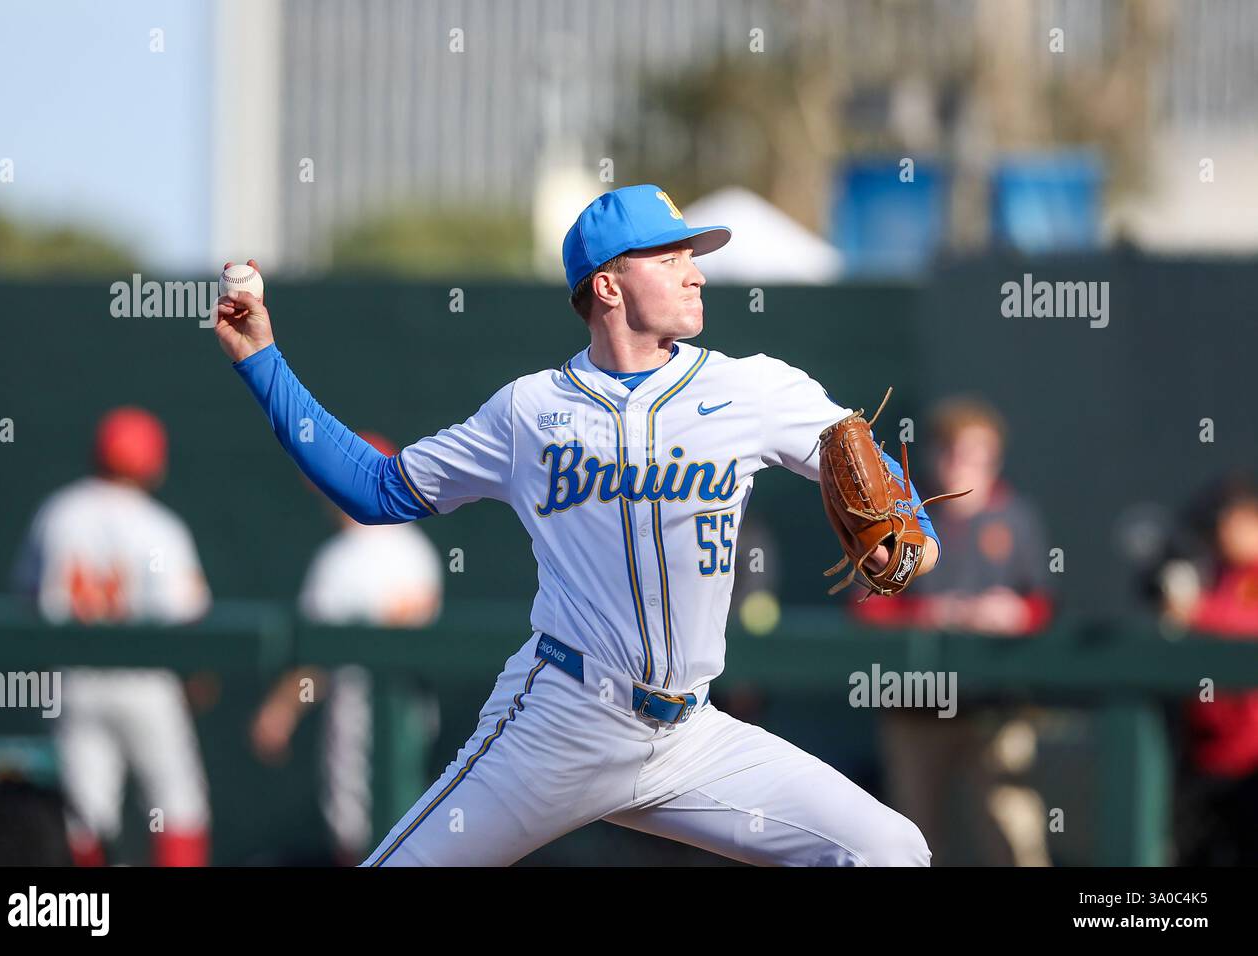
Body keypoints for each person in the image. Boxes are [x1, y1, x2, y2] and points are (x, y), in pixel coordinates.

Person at [215, 184, 945, 867]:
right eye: (671, 257)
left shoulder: (752, 388)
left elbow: (878, 478)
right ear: (607, 284)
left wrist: (917, 533)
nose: (695, 274)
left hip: (689, 736)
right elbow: (376, 490)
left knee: (889, 850)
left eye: (694, 256)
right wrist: (261, 362)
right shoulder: (528, 412)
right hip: (562, 719)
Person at [854, 397, 1054, 866]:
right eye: (952, 452)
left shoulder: (1016, 518)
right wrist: (930, 612)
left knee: (1013, 828)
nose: (961, 465)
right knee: (911, 836)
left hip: (995, 706)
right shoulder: (902, 519)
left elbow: (1042, 604)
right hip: (915, 705)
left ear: (993, 460)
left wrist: (1012, 613)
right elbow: (867, 610)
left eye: (973, 454)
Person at [11, 407, 213, 866]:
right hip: (145, 682)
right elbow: (189, 617)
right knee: (178, 805)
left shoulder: (58, 512)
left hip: (75, 679)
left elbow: (25, 599)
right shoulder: (158, 525)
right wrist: (198, 677)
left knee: (86, 813)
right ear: (151, 464)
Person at [251, 431, 444, 865]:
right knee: (411, 822)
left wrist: (280, 711)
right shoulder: (419, 550)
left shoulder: (342, 559)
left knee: (355, 829)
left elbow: (319, 660)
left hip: (359, 706)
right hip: (415, 707)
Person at [1159, 476, 1258, 865]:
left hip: (1251, 760)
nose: (1223, 533)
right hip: (1203, 758)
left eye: (1235, 521)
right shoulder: (1212, 574)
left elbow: (1245, 626)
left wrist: (1196, 611)